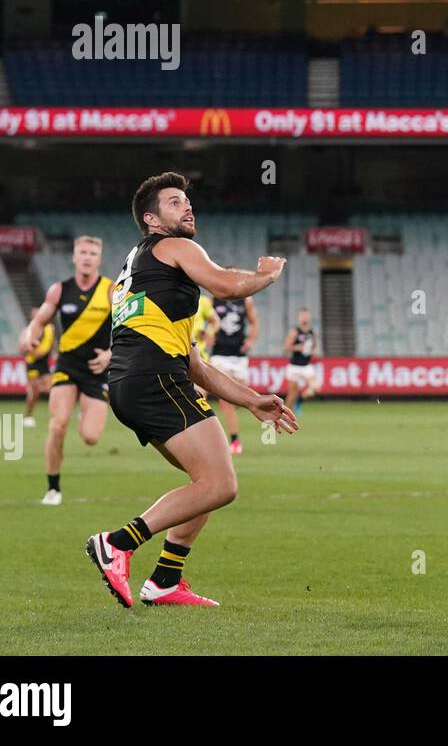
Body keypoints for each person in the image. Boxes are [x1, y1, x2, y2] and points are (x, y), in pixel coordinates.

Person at [86, 171, 295, 608]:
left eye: (187, 200)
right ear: (152, 219)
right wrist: (266, 276)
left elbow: (195, 364)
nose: (187, 207)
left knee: (204, 482)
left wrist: (253, 399)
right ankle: (118, 543)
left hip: (134, 382)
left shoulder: (142, 268)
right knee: (221, 483)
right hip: (154, 378)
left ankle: (165, 579)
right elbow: (225, 285)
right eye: (175, 202)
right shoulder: (174, 247)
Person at [18, 236, 112, 505]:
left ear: (99, 259)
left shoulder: (110, 290)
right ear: (74, 256)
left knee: (91, 437)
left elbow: (127, 327)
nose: (87, 257)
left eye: (93, 253)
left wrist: (110, 354)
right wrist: (30, 335)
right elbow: (40, 320)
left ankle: (86, 404)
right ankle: (53, 488)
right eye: (82, 252)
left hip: (97, 369)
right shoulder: (60, 290)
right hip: (67, 365)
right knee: (57, 425)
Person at [209, 295, 258, 453]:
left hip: (239, 356)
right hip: (220, 354)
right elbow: (203, 319)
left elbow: (254, 322)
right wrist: (208, 335)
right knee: (225, 399)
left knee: (239, 396)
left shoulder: (246, 301)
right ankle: (235, 439)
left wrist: (250, 340)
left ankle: (232, 435)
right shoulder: (213, 301)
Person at [283, 308, 319, 412]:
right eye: (303, 315)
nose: (305, 317)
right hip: (294, 366)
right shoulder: (295, 331)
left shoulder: (312, 332)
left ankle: (300, 400)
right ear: (299, 317)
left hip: (306, 366)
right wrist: (297, 347)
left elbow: (314, 347)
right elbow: (286, 346)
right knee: (292, 395)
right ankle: (285, 414)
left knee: (315, 387)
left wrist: (314, 351)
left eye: (307, 315)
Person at [22, 317, 55, 428]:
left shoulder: (50, 329)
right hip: (32, 363)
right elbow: (22, 348)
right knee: (34, 392)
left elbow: (48, 347)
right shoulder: (29, 330)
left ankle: (55, 417)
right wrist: (28, 349)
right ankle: (28, 415)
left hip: (44, 363)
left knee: (50, 389)